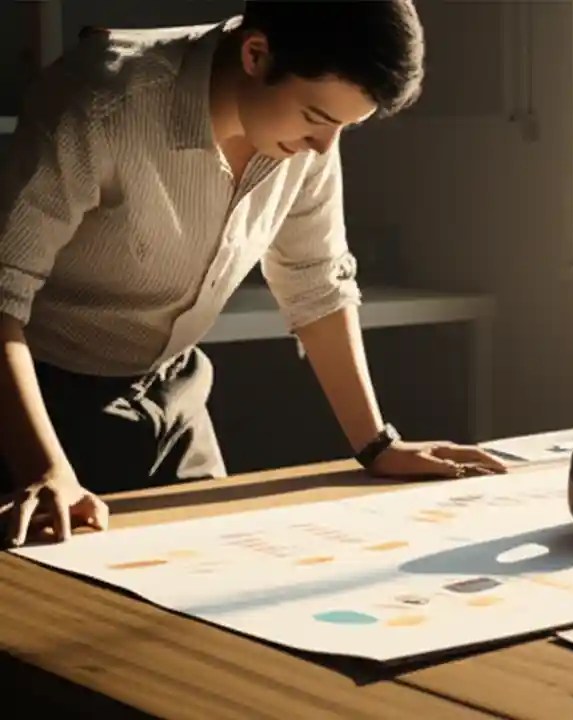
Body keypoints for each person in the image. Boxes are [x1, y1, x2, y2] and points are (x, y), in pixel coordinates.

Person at [0, 1, 507, 549]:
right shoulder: (100, 102)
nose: (324, 147)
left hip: (174, 390)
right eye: (317, 118)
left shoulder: (308, 139)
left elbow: (316, 282)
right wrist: (40, 467)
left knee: (211, 573)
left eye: (344, 127)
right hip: (35, 400)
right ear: (256, 54)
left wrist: (376, 446)